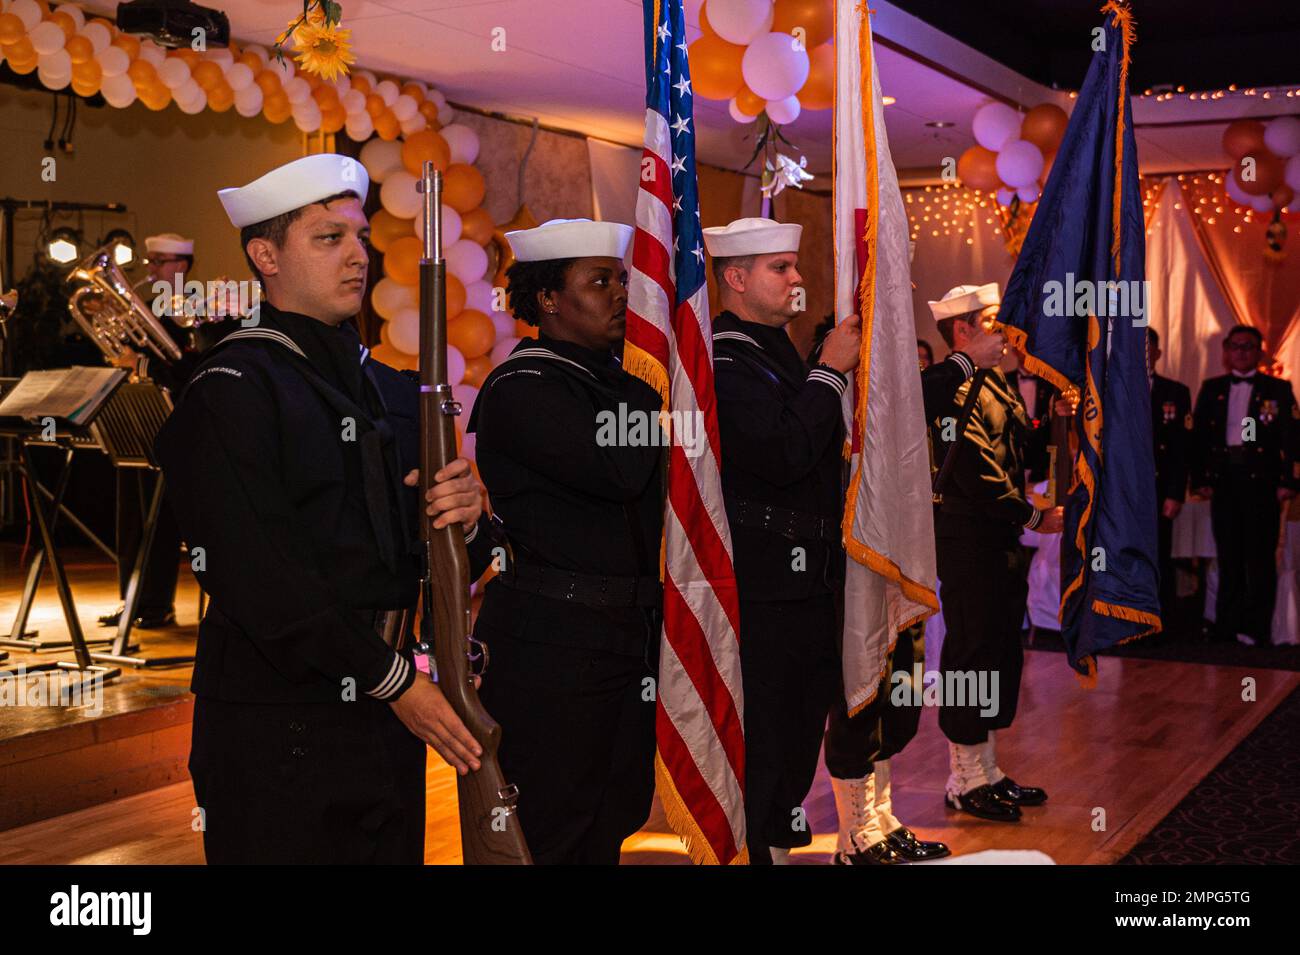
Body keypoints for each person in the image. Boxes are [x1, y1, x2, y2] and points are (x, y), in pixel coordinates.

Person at [156, 154, 489, 864]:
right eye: (328, 238)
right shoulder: (231, 386)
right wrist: (398, 680)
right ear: (264, 254)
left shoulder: (394, 390)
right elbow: (259, 579)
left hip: (385, 704)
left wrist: (471, 519)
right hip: (280, 718)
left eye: (360, 238)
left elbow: (437, 557)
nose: (357, 256)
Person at [468, 218, 663, 865]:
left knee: (614, 810)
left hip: (622, 636)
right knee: (556, 825)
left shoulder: (613, 383)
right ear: (548, 298)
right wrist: (652, 374)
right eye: (599, 280)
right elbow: (619, 465)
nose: (619, 295)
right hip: (552, 645)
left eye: (622, 280)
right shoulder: (522, 387)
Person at [703, 217, 857, 864]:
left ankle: (778, 850)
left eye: (795, 265)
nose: (797, 278)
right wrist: (829, 374)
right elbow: (784, 451)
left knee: (798, 737)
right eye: (781, 268)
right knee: (764, 740)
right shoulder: (723, 357)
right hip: (763, 582)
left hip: (809, 577)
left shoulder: (775, 348)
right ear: (736, 278)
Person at [823, 325, 1007, 864]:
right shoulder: (850, 387)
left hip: (904, 554)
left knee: (896, 697)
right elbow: (896, 408)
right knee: (860, 692)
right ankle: (853, 836)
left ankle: (879, 818)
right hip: (861, 558)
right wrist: (965, 362)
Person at [928, 283, 1060, 823]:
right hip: (967, 537)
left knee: (1001, 650)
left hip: (996, 536)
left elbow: (1020, 447)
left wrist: (1058, 411)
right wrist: (1032, 516)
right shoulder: (952, 389)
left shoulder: (997, 384)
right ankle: (963, 776)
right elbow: (975, 469)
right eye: (991, 322)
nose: (1005, 333)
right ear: (962, 331)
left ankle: (987, 769)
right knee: (972, 650)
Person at [99, 234, 203, 630]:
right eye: (151, 261)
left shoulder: (195, 309)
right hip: (137, 418)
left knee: (160, 521)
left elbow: (187, 371)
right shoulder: (141, 307)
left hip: (176, 422)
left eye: (159, 261)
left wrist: (139, 365)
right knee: (130, 518)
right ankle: (131, 600)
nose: (150, 269)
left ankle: (157, 604)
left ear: (181, 266)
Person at [1190, 324, 1300, 646]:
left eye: (1248, 346)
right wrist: (1201, 479)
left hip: (1261, 482)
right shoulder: (1212, 388)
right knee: (1228, 557)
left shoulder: (1278, 389)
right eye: (1235, 346)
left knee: (1260, 558)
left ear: (1260, 352)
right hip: (1224, 481)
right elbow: (1199, 439)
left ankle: (1257, 628)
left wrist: (1289, 480)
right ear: (1226, 351)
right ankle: (1226, 626)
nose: (1241, 352)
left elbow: (1293, 439)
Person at [1147, 329, 1191, 621]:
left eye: (1147, 346)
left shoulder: (1175, 392)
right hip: (1123, 488)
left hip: (1159, 485)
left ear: (1158, 353)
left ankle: (1159, 620)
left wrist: (1176, 492)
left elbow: (1182, 449)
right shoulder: (1111, 387)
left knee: (1159, 555)